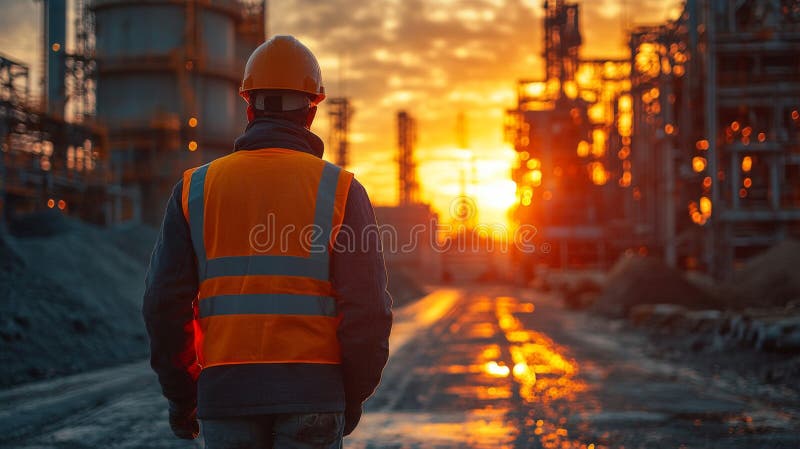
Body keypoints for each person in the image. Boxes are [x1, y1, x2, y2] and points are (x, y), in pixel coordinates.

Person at [142, 35, 393, 449]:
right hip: (314, 395)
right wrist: (350, 394)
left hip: (225, 397)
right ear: (311, 110)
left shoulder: (195, 189)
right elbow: (369, 310)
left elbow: (162, 304)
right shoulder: (342, 191)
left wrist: (182, 394)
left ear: (248, 105)